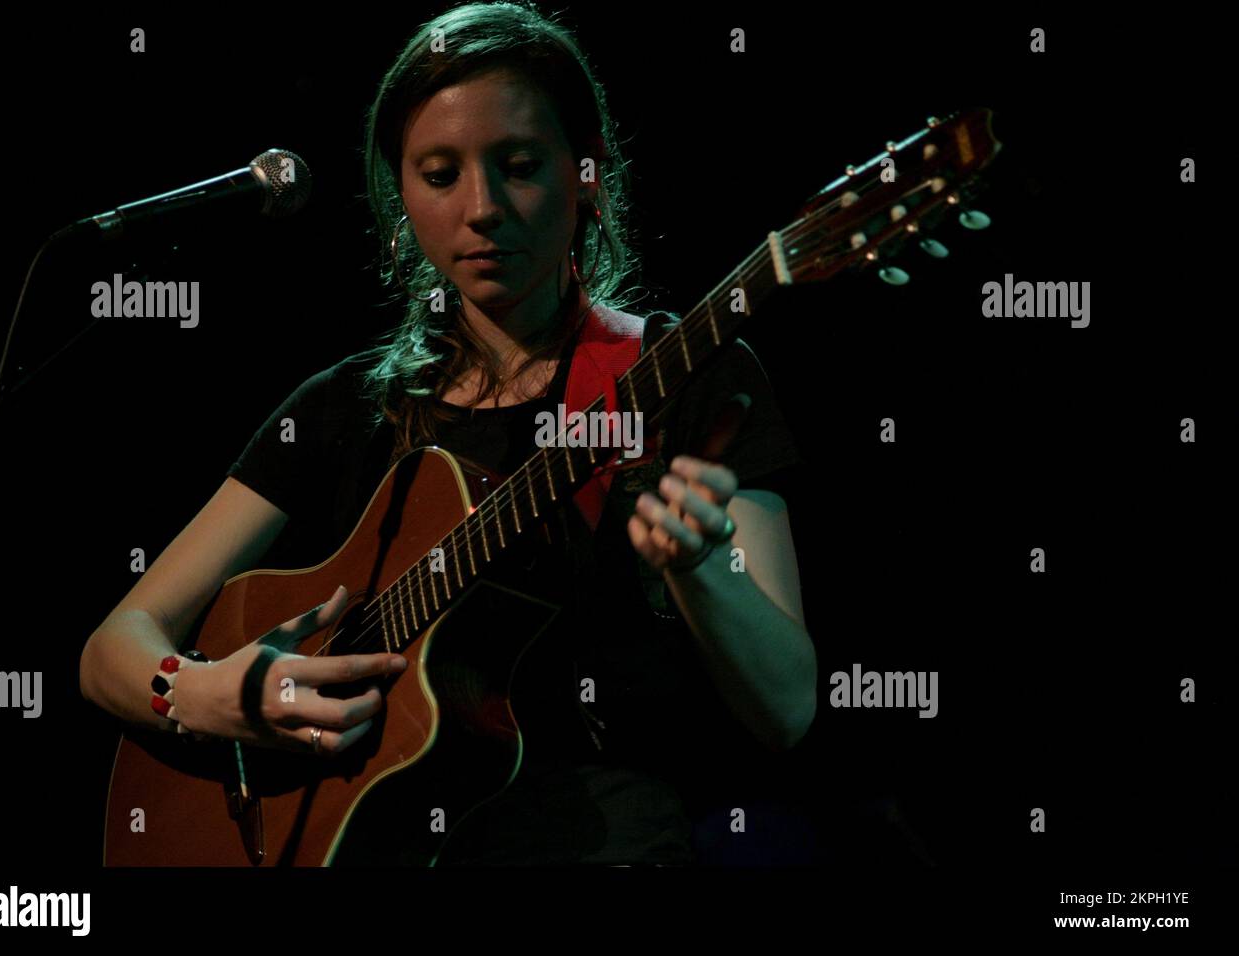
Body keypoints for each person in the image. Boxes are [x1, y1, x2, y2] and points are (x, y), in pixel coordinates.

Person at [79, 0, 818, 866]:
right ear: (400, 196)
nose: (483, 208)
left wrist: (701, 572)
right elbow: (111, 649)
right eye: (439, 174)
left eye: (518, 166)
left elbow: (788, 709)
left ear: (587, 174)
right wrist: (218, 696)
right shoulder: (343, 409)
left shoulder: (686, 375)